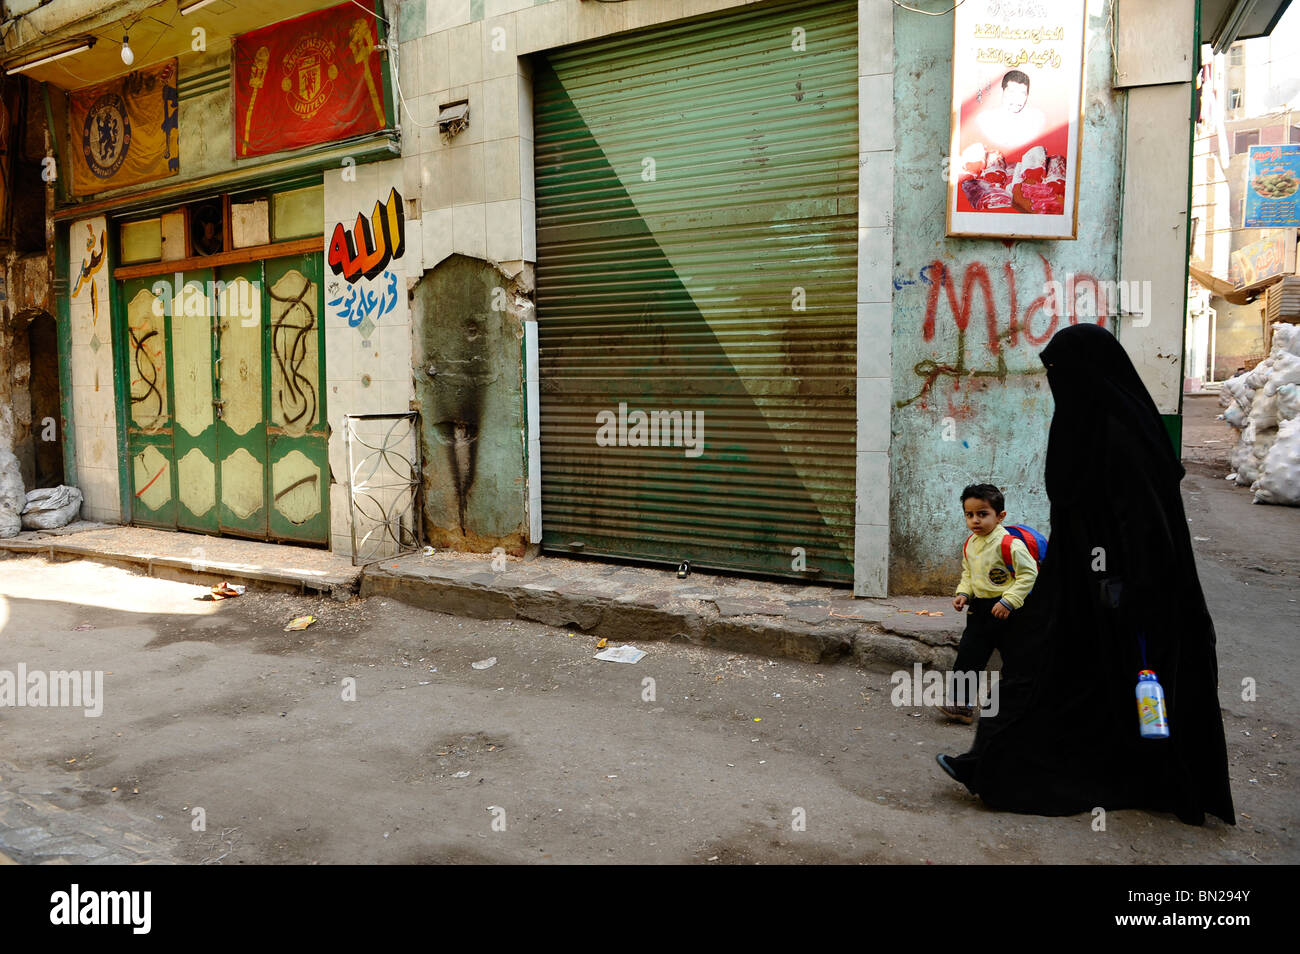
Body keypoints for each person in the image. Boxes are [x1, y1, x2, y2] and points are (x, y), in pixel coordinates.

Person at [936, 323, 1235, 827]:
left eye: (1059, 372)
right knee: (1053, 675)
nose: (1055, 381)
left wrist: (1123, 587)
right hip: (1081, 582)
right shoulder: (1100, 419)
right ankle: (992, 767)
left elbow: (1145, 527)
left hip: (1115, 591)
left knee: (1057, 673)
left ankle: (1004, 769)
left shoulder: (1120, 435)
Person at [942, 483, 1039, 724]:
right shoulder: (970, 544)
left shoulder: (1009, 544)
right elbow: (969, 572)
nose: (975, 520)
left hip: (1010, 611)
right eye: (969, 514)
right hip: (980, 610)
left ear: (1000, 516)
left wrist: (1009, 601)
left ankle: (1012, 708)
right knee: (968, 655)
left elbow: (1029, 574)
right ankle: (960, 705)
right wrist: (963, 593)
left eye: (982, 514)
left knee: (1016, 661)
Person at [976, 69, 1046, 155]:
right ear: (1002, 91)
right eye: (1012, 92)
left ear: (1027, 95)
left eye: (1022, 93)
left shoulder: (1036, 119)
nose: (1017, 99)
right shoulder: (985, 119)